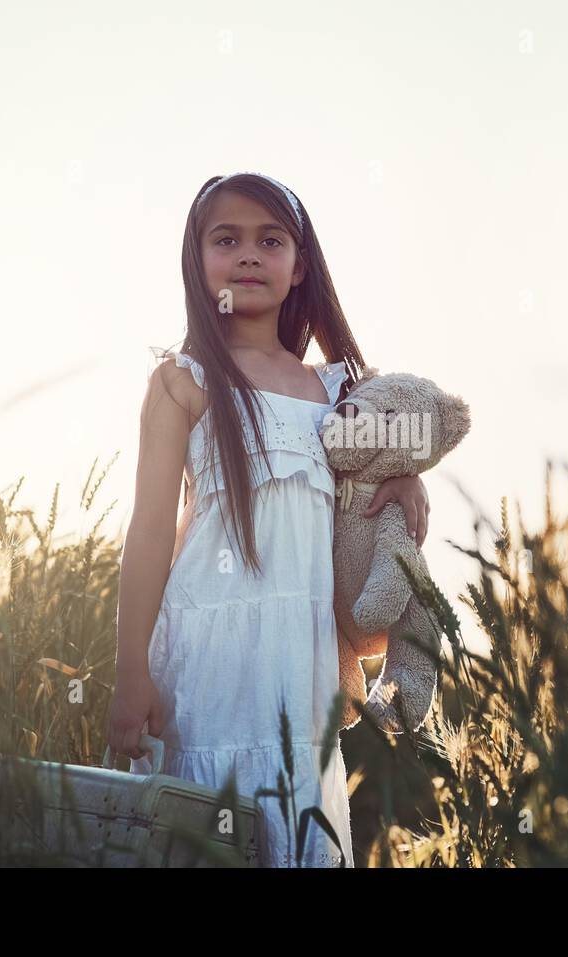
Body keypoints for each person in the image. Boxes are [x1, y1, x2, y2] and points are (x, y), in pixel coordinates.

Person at [108, 172, 431, 867]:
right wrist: (129, 669)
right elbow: (148, 530)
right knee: (203, 831)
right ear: (197, 260)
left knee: (293, 825)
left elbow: (376, 477)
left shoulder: (339, 390)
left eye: (270, 239)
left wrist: (401, 476)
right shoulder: (185, 380)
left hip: (299, 666)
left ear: (300, 264)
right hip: (205, 661)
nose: (249, 254)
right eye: (227, 239)